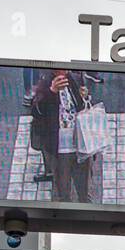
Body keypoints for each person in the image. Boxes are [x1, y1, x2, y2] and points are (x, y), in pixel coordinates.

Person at [30, 69, 95, 203]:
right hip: (60, 150)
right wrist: (51, 92)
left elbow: (82, 108)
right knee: (63, 195)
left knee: (85, 193)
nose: (64, 71)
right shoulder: (45, 83)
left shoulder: (74, 79)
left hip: (80, 145)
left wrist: (85, 97)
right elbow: (37, 112)